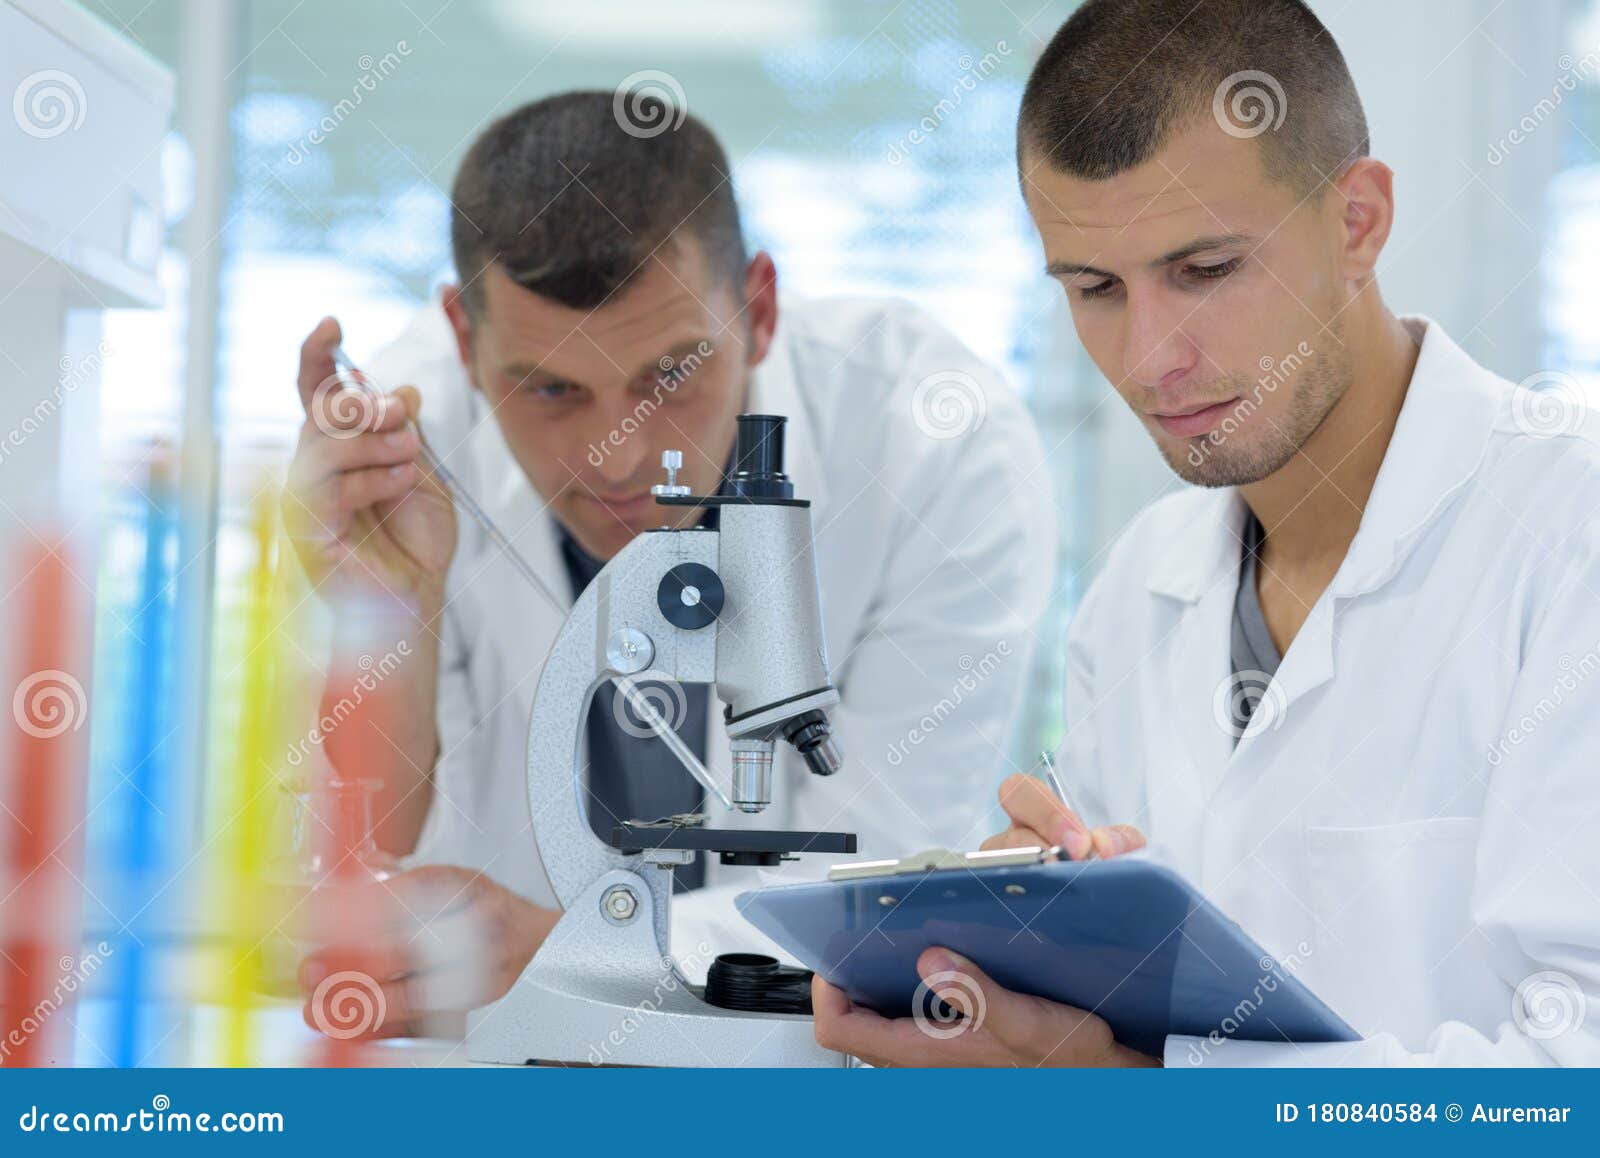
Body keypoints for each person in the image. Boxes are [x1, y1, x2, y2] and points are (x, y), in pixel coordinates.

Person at [814, 0, 1600, 1067]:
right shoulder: (1140, 586)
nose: (1147, 361)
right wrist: (1023, 955)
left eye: (1206, 271)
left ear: (1357, 221)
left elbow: (1568, 1084)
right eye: (1093, 289)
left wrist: (1147, 1097)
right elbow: (1135, 1029)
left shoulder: (1567, 528)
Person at [281, 92, 1056, 1035]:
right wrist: (387, 614)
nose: (616, 454)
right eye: (552, 389)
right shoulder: (397, 454)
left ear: (758, 310)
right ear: (463, 340)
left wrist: (578, 955)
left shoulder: (934, 446)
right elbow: (351, 871)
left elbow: (882, 915)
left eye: (671, 376)